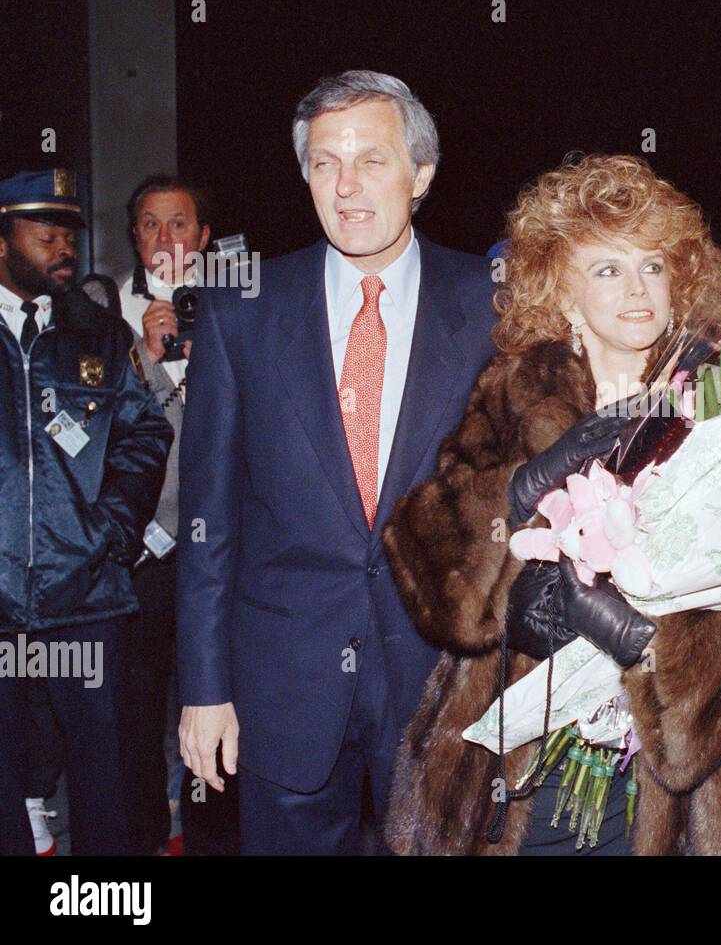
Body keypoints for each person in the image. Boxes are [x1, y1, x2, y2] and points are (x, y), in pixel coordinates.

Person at [381, 154, 721, 855]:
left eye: (653, 266)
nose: (637, 290)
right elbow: (429, 566)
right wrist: (519, 491)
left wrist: (640, 642)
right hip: (508, 773)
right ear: (564, 295)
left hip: (672, 795)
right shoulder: (514, 391)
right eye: (607, 269)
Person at [176, 71, 498, 854]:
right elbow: (207, 517)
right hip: (283, 678)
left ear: (421, 174)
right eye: (325, 163)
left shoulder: (491, 304)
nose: (346, 186)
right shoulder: (242, 308)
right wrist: (205, 688)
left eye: (372, 160)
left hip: (442, 677)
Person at [0, 169, 172, 855]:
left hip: (88, 595)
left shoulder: (97, 331)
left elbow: (145, 434)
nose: (63, 246)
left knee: (104, 774)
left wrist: (114, 530)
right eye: (45, 235)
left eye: (68, 232)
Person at [116, 173, 238, 854]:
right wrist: (145, 358)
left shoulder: (238, 307)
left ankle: (211, 838)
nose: (167, 237)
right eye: (151, 224)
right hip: (137, 555)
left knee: (215, 704)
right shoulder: (101, 319)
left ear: (204, 235)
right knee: (131, 718)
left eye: (180, 223)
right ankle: (139, 844)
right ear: (135, 237)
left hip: (216, 555)